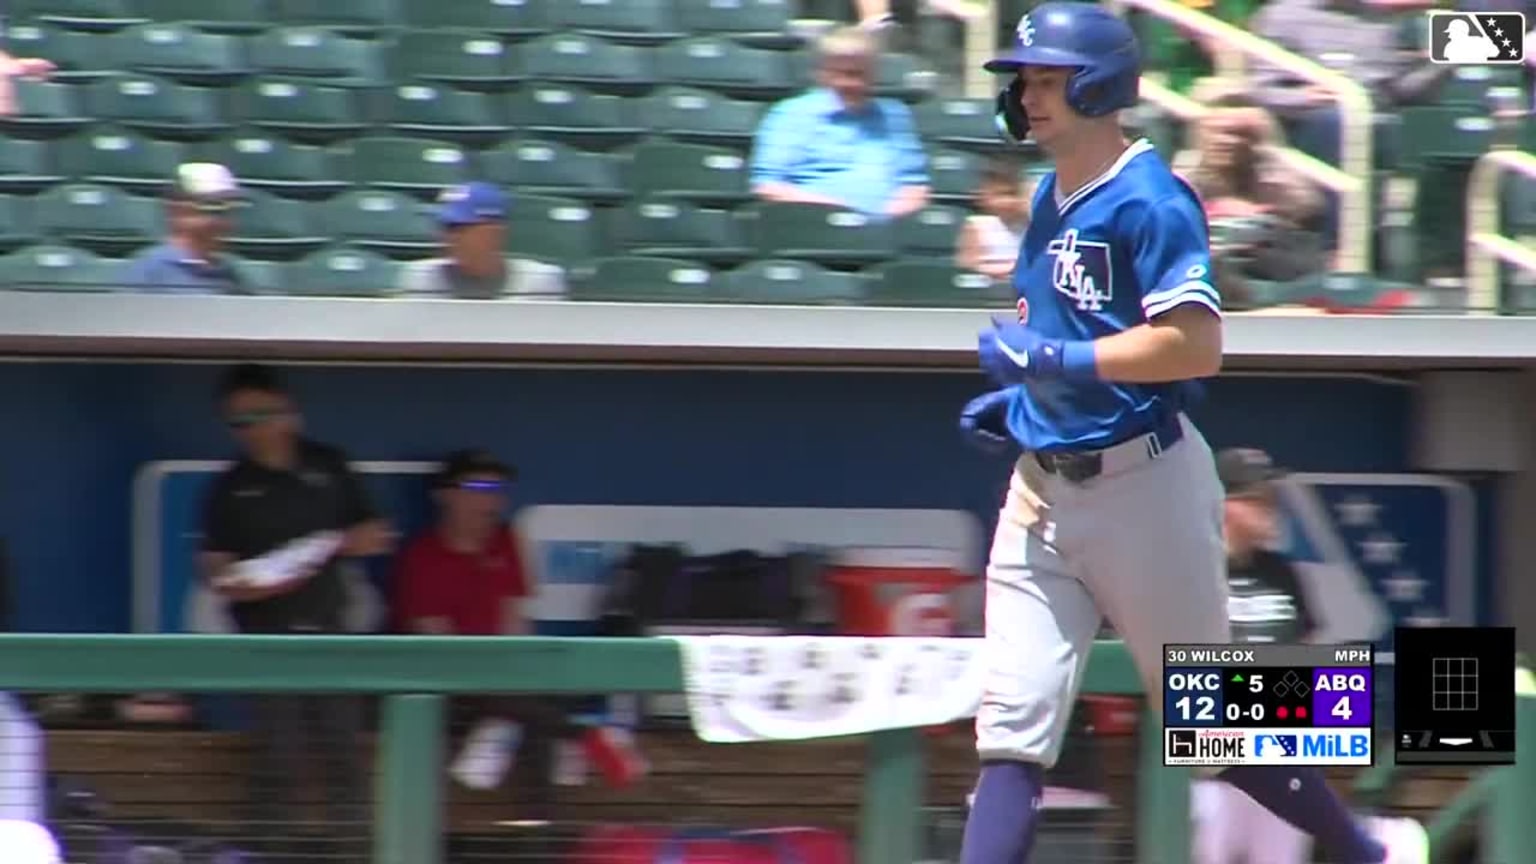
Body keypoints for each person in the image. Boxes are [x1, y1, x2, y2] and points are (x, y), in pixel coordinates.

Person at [954, 6, 1427, 863]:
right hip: (1041, 490)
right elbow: (1071, 345)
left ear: (1100, 85)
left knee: (1214, 718)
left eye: (1048, 78)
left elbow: (1196, 343)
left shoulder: (1151, 195)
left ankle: (1367, 851)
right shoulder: (1045, 197)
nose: (1028, 94)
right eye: (1024, 79)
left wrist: (1057, 360)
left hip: (1144, 488)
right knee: (1011, 730)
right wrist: (1027, 404)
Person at [198, 363, 394, 862]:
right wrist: (246, 581)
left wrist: (326, 549)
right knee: (277, 759)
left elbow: (375, 534)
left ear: (287, 413)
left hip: (331, 633)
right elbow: (216, 569)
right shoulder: (229, 487)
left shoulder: (329, 465)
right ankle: (270, 854)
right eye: (237, 422)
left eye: (258, 416)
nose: (250, 431)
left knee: (344, 754)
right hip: (266, 641)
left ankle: (352, 855)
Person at [392, 450, 645, 813]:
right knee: (525, 704)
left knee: (535, 706)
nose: (491, 498)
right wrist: (502, 678)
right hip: (439, 679)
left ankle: (535, 824)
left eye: (497, 488)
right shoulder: (422, 555)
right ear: (445, 494)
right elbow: (439, 645)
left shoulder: (505, 539)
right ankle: (585, 737)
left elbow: (515, 623)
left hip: (502, 681)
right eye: (478, 486)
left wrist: (520, 672)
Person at [1193, 448, 1321, 864]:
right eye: (1260, 498)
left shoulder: (1282, 572)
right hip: (1210, 767)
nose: (1273, 509)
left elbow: (1305, 658)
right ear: (1227, 503)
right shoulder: (1193, 569)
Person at [749, 26, 930, 219]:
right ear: (822, 74)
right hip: (812, 228)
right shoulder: (791, 114)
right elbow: (769, 186)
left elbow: (914, 187)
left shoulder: (895, 115)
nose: (852, 83)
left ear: (874, 74)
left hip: (887, 231)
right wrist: (840, 215)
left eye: (860, 74)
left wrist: (880, 222)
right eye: (843, 74)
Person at [394, 182, 567, 300]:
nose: (449, 237)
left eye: (458, 227)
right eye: (445, 227)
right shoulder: (421, 280)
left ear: (495, 232)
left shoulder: (538, 284)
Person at [121, 163, 254, 294]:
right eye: (213, 207)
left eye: (231, 208)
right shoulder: (148, 271)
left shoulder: (231, 276)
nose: (224, 221)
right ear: (177, 209)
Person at [956, 157, 1031, 284]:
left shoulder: (1029, 226)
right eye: (1000, 195)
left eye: (1012, 194)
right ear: (985, 197)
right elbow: (967, 266)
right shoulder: (977, 226)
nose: (1007, 201)